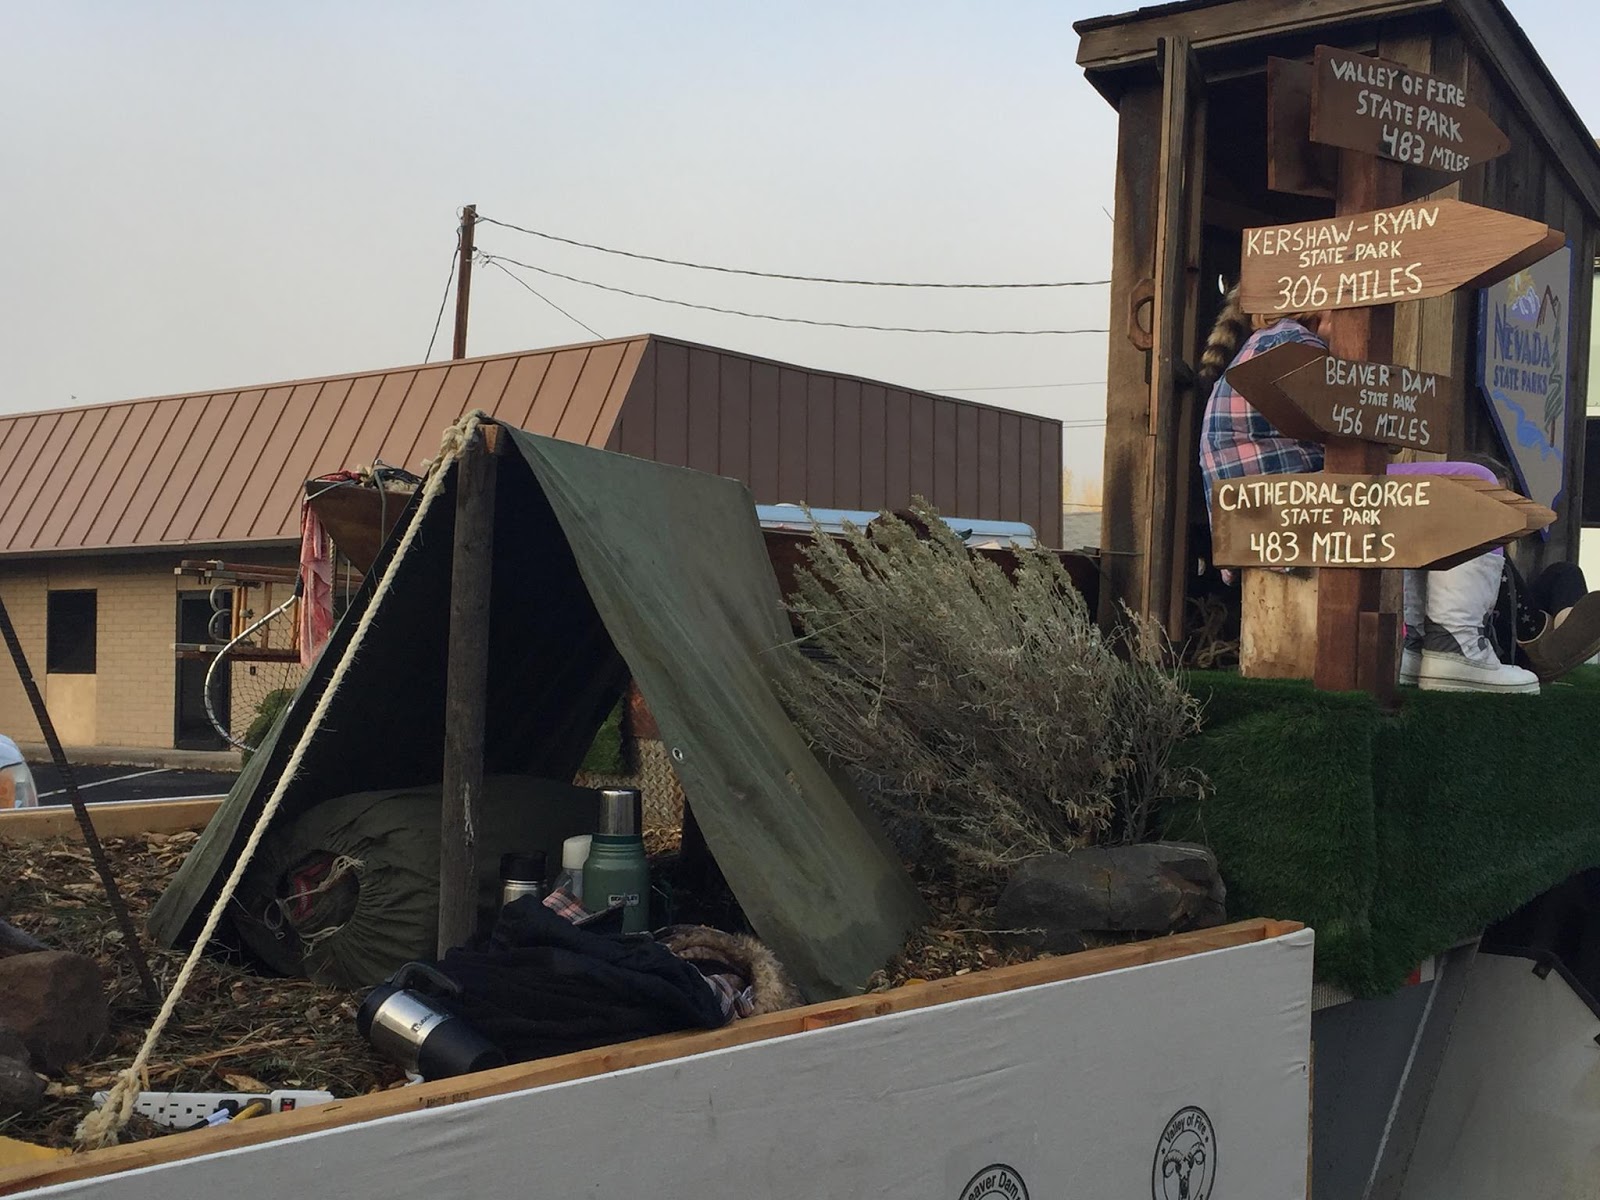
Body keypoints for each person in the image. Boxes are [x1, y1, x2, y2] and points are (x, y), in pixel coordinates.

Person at [1198, 289, 1546, 694]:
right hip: (1297, 501)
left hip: (1264, 513)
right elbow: (1344, 444)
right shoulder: (1295, 344)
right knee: (1477, 481)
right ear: (1317, 306)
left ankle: (1417, 648)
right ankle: (1457, 648)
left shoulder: (1266, 345)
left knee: (1416, 505)